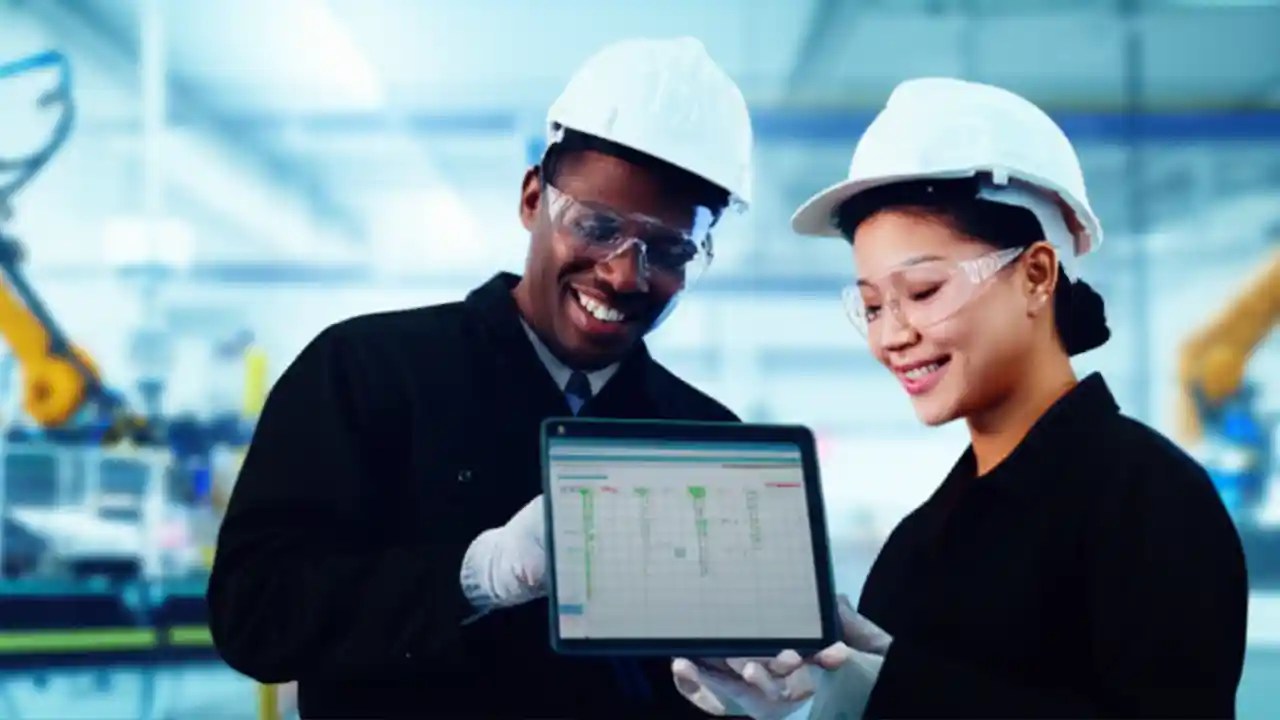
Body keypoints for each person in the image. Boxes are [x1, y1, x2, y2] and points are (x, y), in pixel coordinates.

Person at [207, 36, 754, 719]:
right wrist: (474, 576)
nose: (623, 274)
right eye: (596, 225)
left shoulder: (706, 438)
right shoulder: (365, 372)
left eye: (669, 250)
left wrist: (762, 691)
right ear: (533, 199)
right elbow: (254, 616)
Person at [672, 77, 1249, 719]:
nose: (892, 335)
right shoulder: (919, 542)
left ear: (1036, 274)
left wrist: (893, 691)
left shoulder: (1149, 499)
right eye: (870, 306)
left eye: (922, 291)